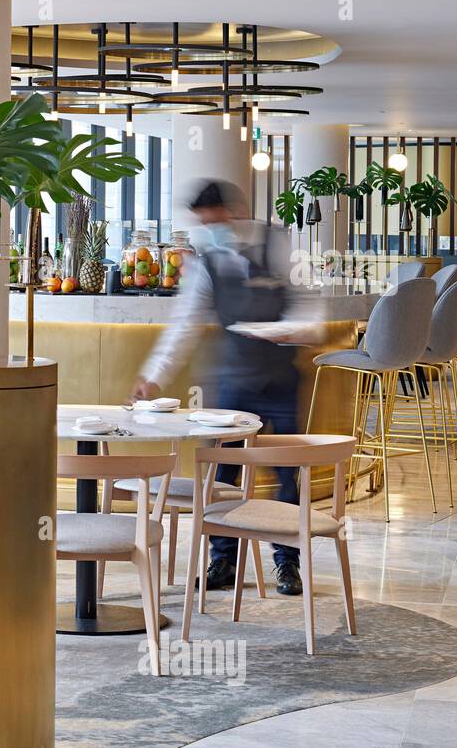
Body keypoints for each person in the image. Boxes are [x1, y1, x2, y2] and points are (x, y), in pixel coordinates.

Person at [131, 179, 323, 596]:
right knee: (223, 474)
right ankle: (223, 561)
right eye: (205, 223)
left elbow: (309, 307)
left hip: (281, 379)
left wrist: (288, 330)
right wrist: (154, 375)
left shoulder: (277, 245)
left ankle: (287, 564)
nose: (212, 229)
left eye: (216, 220)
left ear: (234, 211)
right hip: (232, 381)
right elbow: (184, 323)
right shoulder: (207, 264)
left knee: (287, 472)